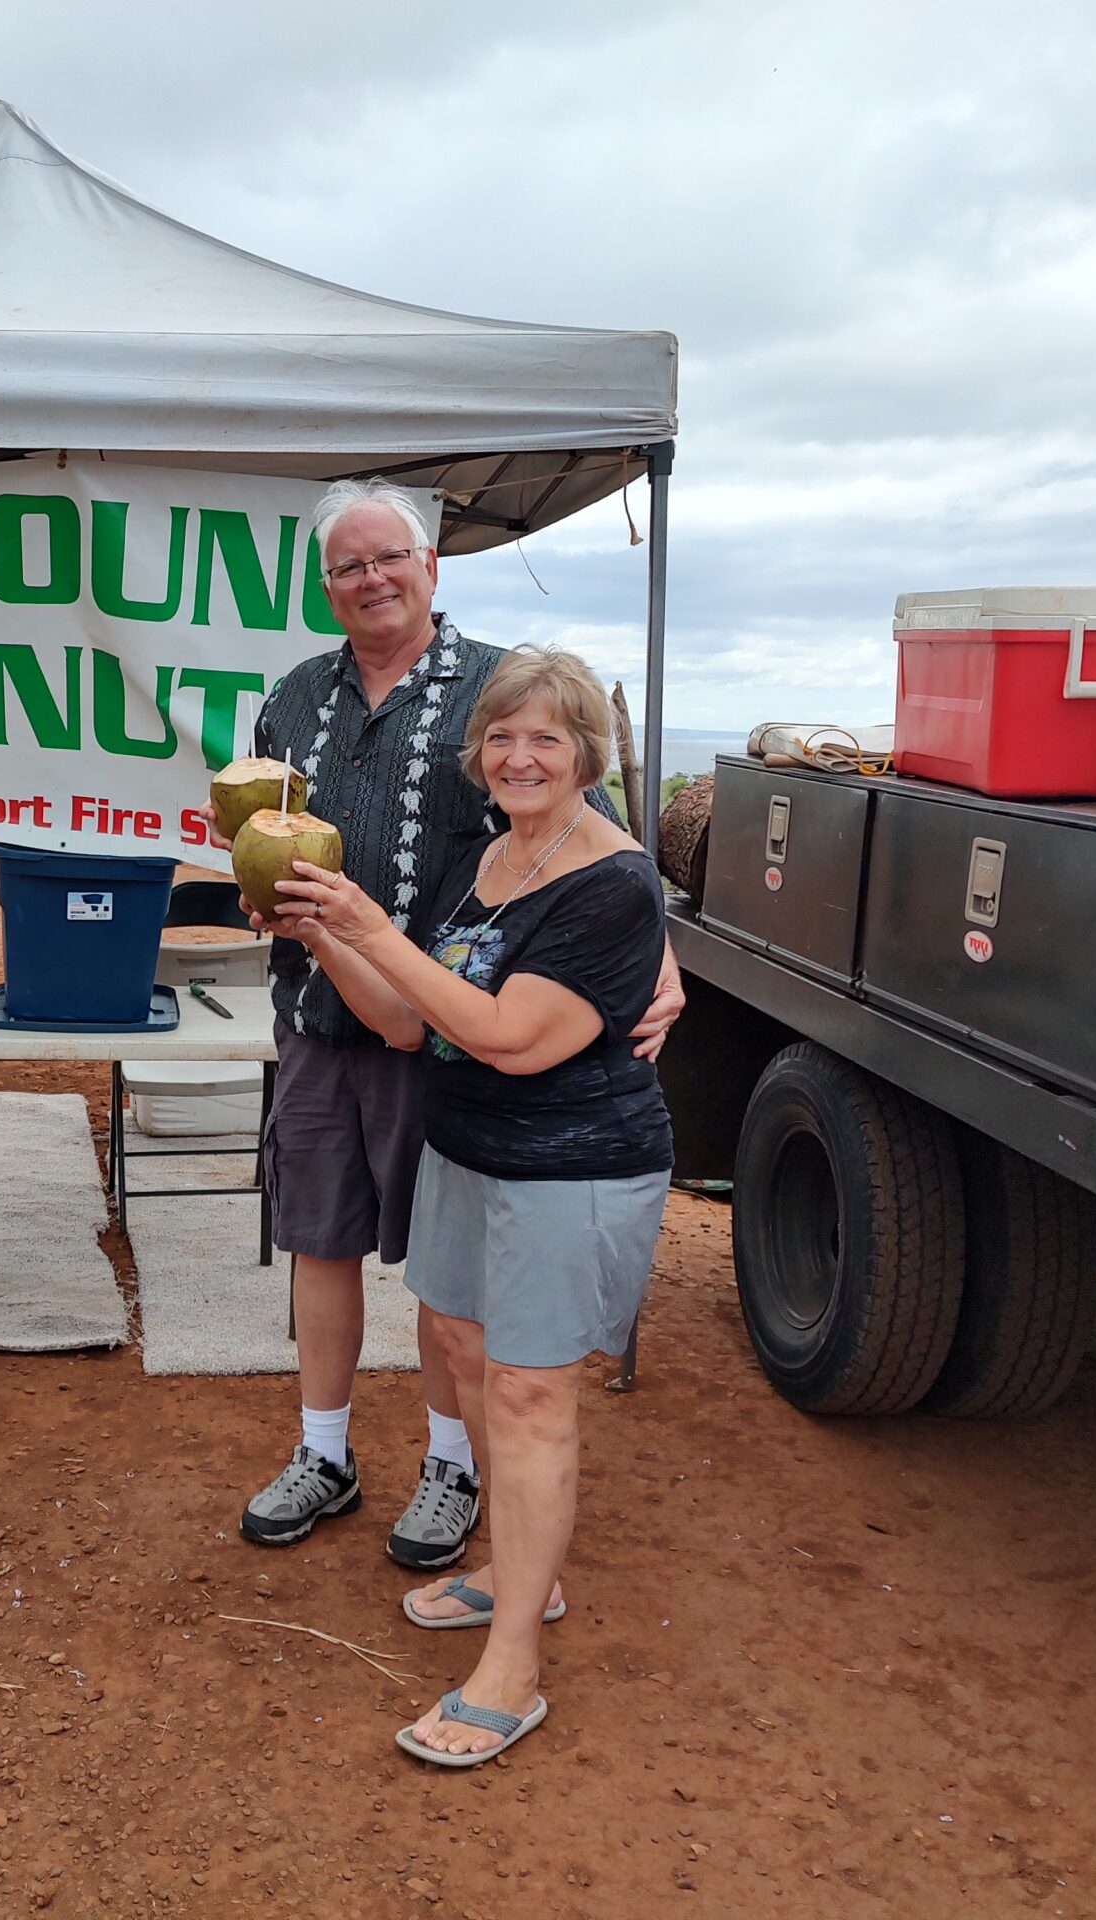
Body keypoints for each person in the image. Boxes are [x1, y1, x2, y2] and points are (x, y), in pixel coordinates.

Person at [227, 476, 681, 1570]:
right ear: (326, 585)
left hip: (450, 1030)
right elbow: (262, 829)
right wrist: (266, 893)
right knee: (319, 1237)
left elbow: (591, 837)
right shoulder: (294, 698)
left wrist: (657, 961)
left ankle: (452, 1466)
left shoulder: (495, 689)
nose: (371, 579)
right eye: (348, 565)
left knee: (447, 1286)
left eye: (389, 557)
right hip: (317, 1007)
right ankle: (323, 1453)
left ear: (430, 566)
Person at [263, 645, 675, 1767]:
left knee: (531, 1394)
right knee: (456, 1342)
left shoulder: (613, 884)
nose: (519, 756)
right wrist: (322, 933)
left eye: (546, 737)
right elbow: (410, 1022)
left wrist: (367, 922)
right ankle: (515, 1571)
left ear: (588, 754)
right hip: (465, 1150)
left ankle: (513, 1670)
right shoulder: (488, 859)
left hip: (570, 1168)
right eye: (501, 736)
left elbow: (506, 1037)